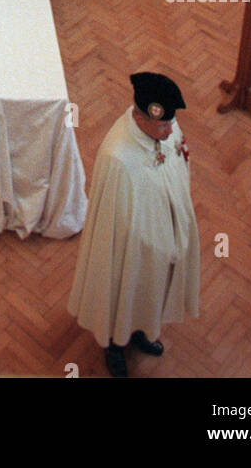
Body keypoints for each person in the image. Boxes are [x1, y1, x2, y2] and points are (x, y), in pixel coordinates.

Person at [67, 72, 200, 379]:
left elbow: (178, 163)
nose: (170, 131)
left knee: (151, 288)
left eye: (169, 123)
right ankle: (113, 344)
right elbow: (113, 227)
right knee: (123, 286)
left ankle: (140, 330)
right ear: (141, 119)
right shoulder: (118, 157)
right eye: (162, 125)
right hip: (130, 248)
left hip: (162, 239)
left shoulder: (166, 129)